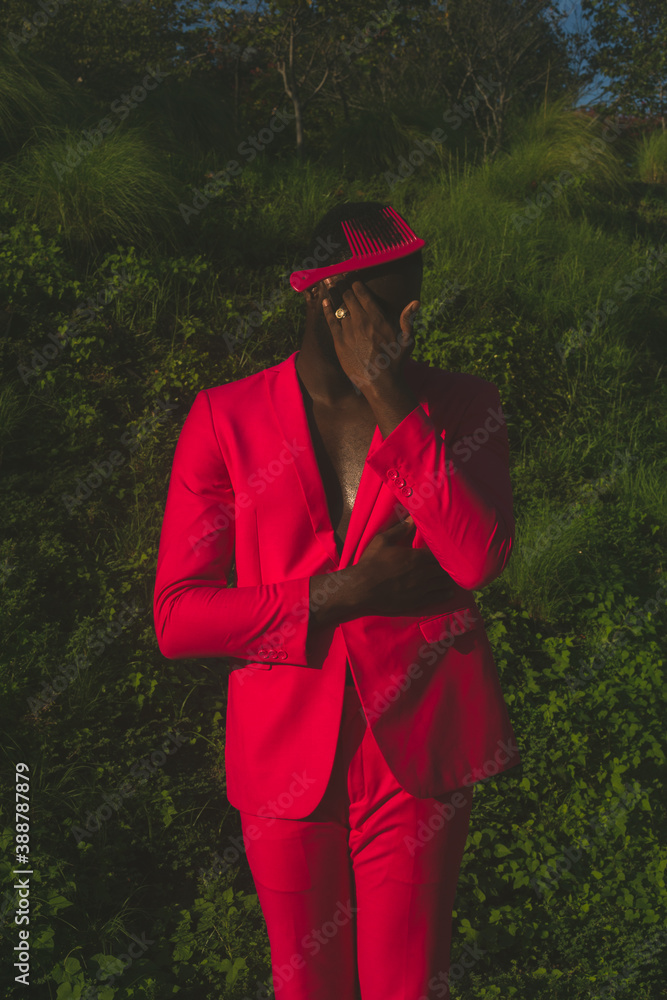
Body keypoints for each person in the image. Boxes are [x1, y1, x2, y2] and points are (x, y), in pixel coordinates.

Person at [153, 200, 521, 1000]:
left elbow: (476, 557)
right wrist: (347, 592)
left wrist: (391, 397)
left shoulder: (459, 404)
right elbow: (179, 617)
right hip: (286, 762)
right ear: (333, 301)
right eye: (397, 303)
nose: (415, 317)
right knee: (307, 987)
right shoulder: (226, 418)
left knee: (405, 986)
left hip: (417, 752)